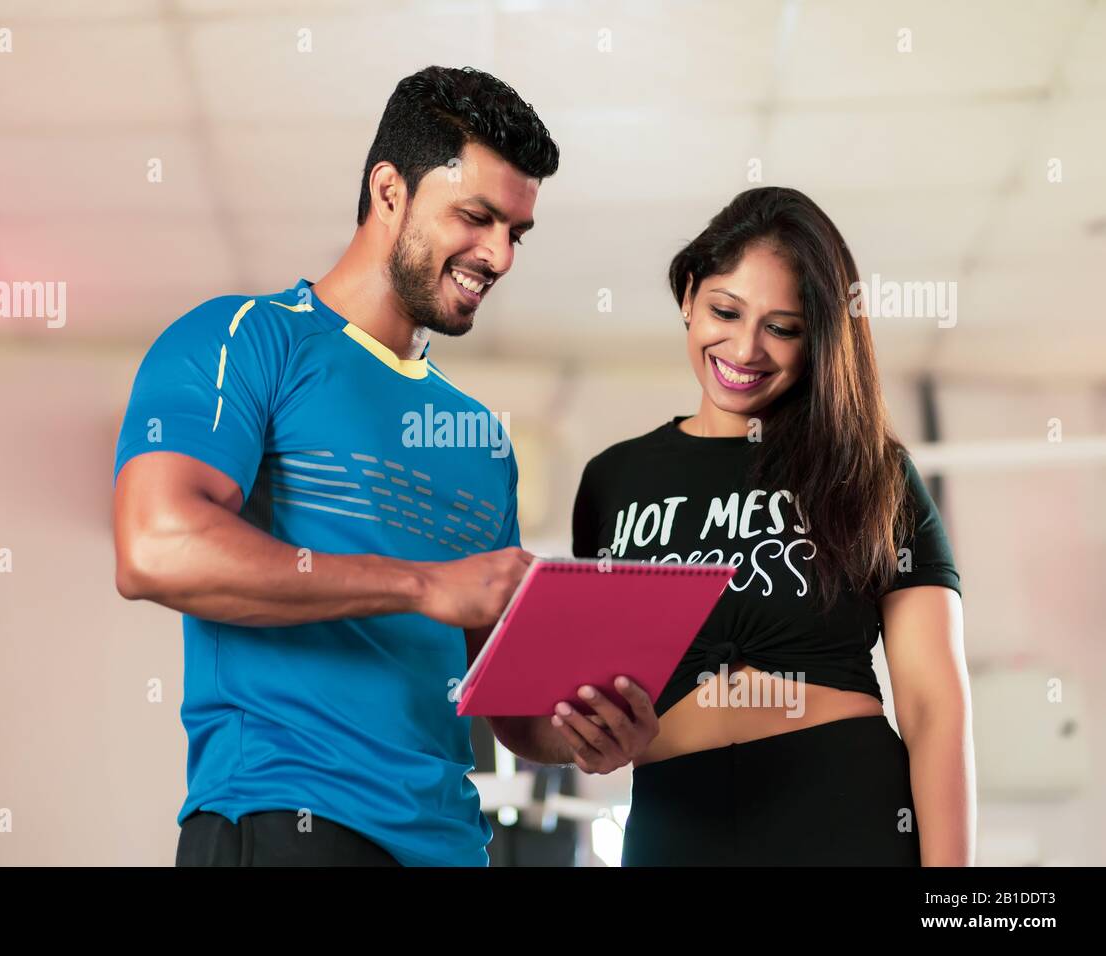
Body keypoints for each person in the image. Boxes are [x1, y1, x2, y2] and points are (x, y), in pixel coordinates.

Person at [111, 65, 659, 868]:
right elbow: (154, 548)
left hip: (452, 846)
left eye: (516, 230)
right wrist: (421, 583)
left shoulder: (481, 440)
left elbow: (507, 708)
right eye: (475, 217)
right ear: (389, 190)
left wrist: (590, 734)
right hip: (288, 821)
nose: (499, 254)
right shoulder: (246, 339)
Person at [568, 187, 974, 865]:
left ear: (817, 335)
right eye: (726, 311)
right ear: (689, 295)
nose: (746, 347)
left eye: (781, 326)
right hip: (673, 822)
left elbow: (935, 707)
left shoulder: (871, 473)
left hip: (843, 810)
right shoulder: (612, 480)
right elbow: (590, 699)